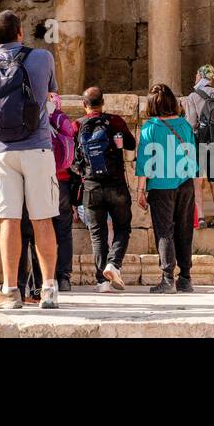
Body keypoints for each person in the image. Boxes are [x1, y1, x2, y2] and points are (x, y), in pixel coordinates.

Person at [0, 10, 61, 310]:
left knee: (9, 220)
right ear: (21, 32)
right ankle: (48, 290)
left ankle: (10, 291)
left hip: (0, 151)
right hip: (37, 148)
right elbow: (52, 96)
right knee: (42, 219)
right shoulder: (43, 58)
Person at [73, 86, 136, 292]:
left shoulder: (77, 125)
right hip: (116, 183)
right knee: (122, 228)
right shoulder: (115, 121)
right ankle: (114, 264)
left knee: (97, 233)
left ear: (84, 105)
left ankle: (102, 282)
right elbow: (131, 144)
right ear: (103, 103)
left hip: (91, 186)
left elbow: (71, 157)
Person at [136, 83, 197, 293]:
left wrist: (140, 190)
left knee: (164, 231)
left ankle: (167, 278)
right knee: (184, 229)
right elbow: (192, 155)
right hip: (185, 183)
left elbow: (144, 162)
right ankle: (185, 278)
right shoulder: (185, 125)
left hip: (161, 185)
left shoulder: (150, 128)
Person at [17, 93, 78, 301]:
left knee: (25, 234)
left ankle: (20, 287)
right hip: (61, 182)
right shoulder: (60, 118)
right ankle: (58, 280)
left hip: (33, 178)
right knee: (59, 233)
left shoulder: (30, 113)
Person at [185, 64, 214, 228]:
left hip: (199, 142)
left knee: (197, 182)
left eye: (197, 75)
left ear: (202, 76)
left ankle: (201, 217)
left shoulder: (193, 96)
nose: (195, 78)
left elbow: (191, 123)